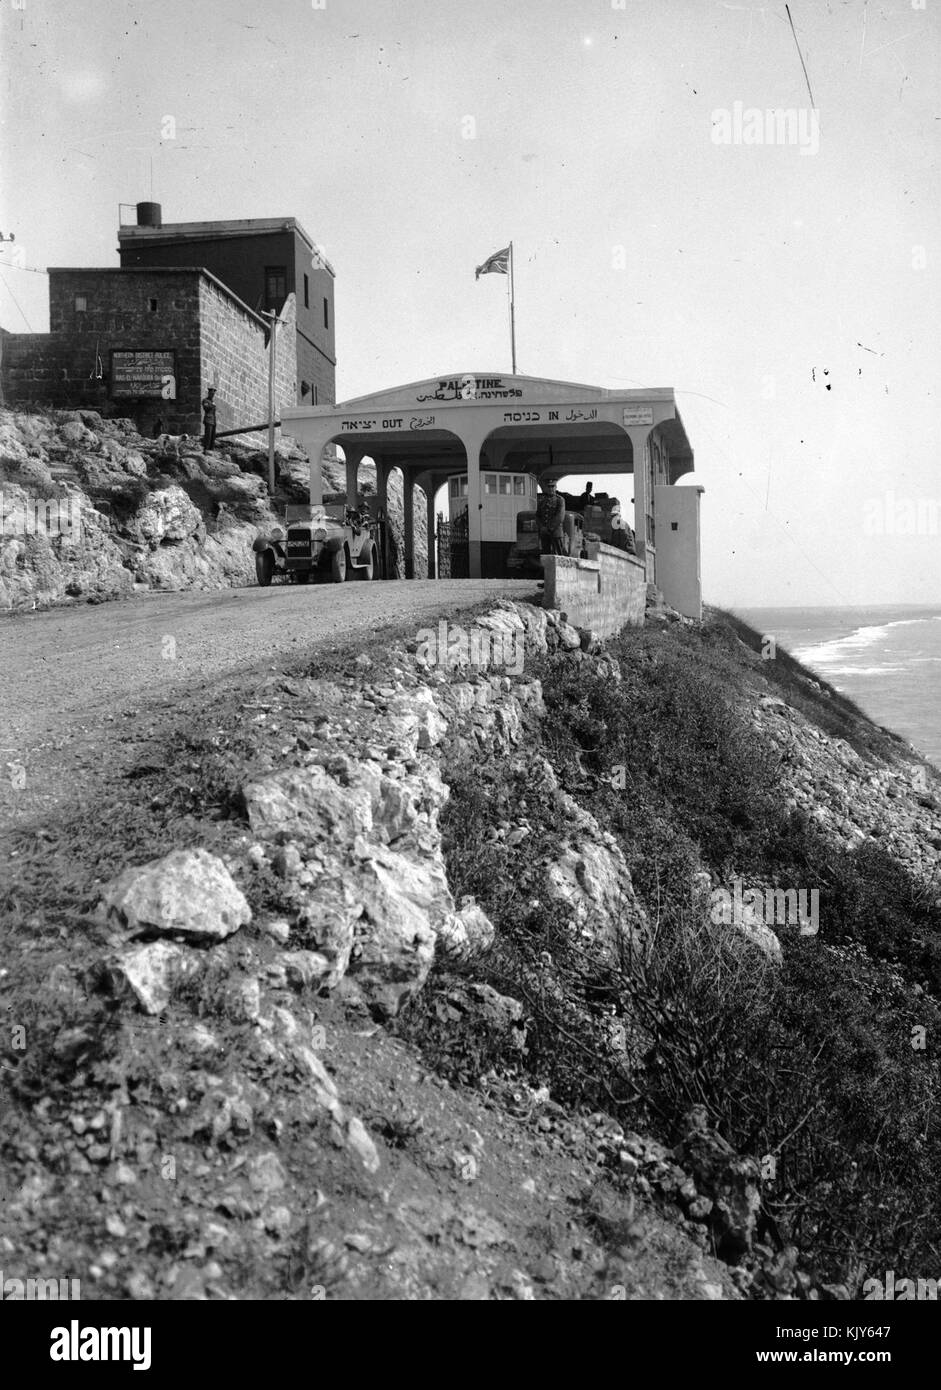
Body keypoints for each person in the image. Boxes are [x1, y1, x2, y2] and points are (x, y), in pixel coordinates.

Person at [537, 477, 566, 554]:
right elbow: (537, 516)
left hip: (555, 532)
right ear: (546, 488)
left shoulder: (560, 500)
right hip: (544, 533)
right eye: (549, 487)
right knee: (545, 554)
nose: (551, 489)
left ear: (556, 488)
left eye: (552, 486)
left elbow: (560, 516)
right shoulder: (542, 501)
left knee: (558, 554)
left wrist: (549, 528)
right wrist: (541, 527)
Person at [201, 387, 217, 452]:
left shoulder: (212, 402)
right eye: (211, 393)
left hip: (213, 420)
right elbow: (206, 408)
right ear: (209, 393)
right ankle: (206, 449)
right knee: (208, 435)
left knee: (213, 436)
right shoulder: (205, 400)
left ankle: (211, 449)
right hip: (208, 420)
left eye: (213, 394)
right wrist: (212, 405)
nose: (212, 395)